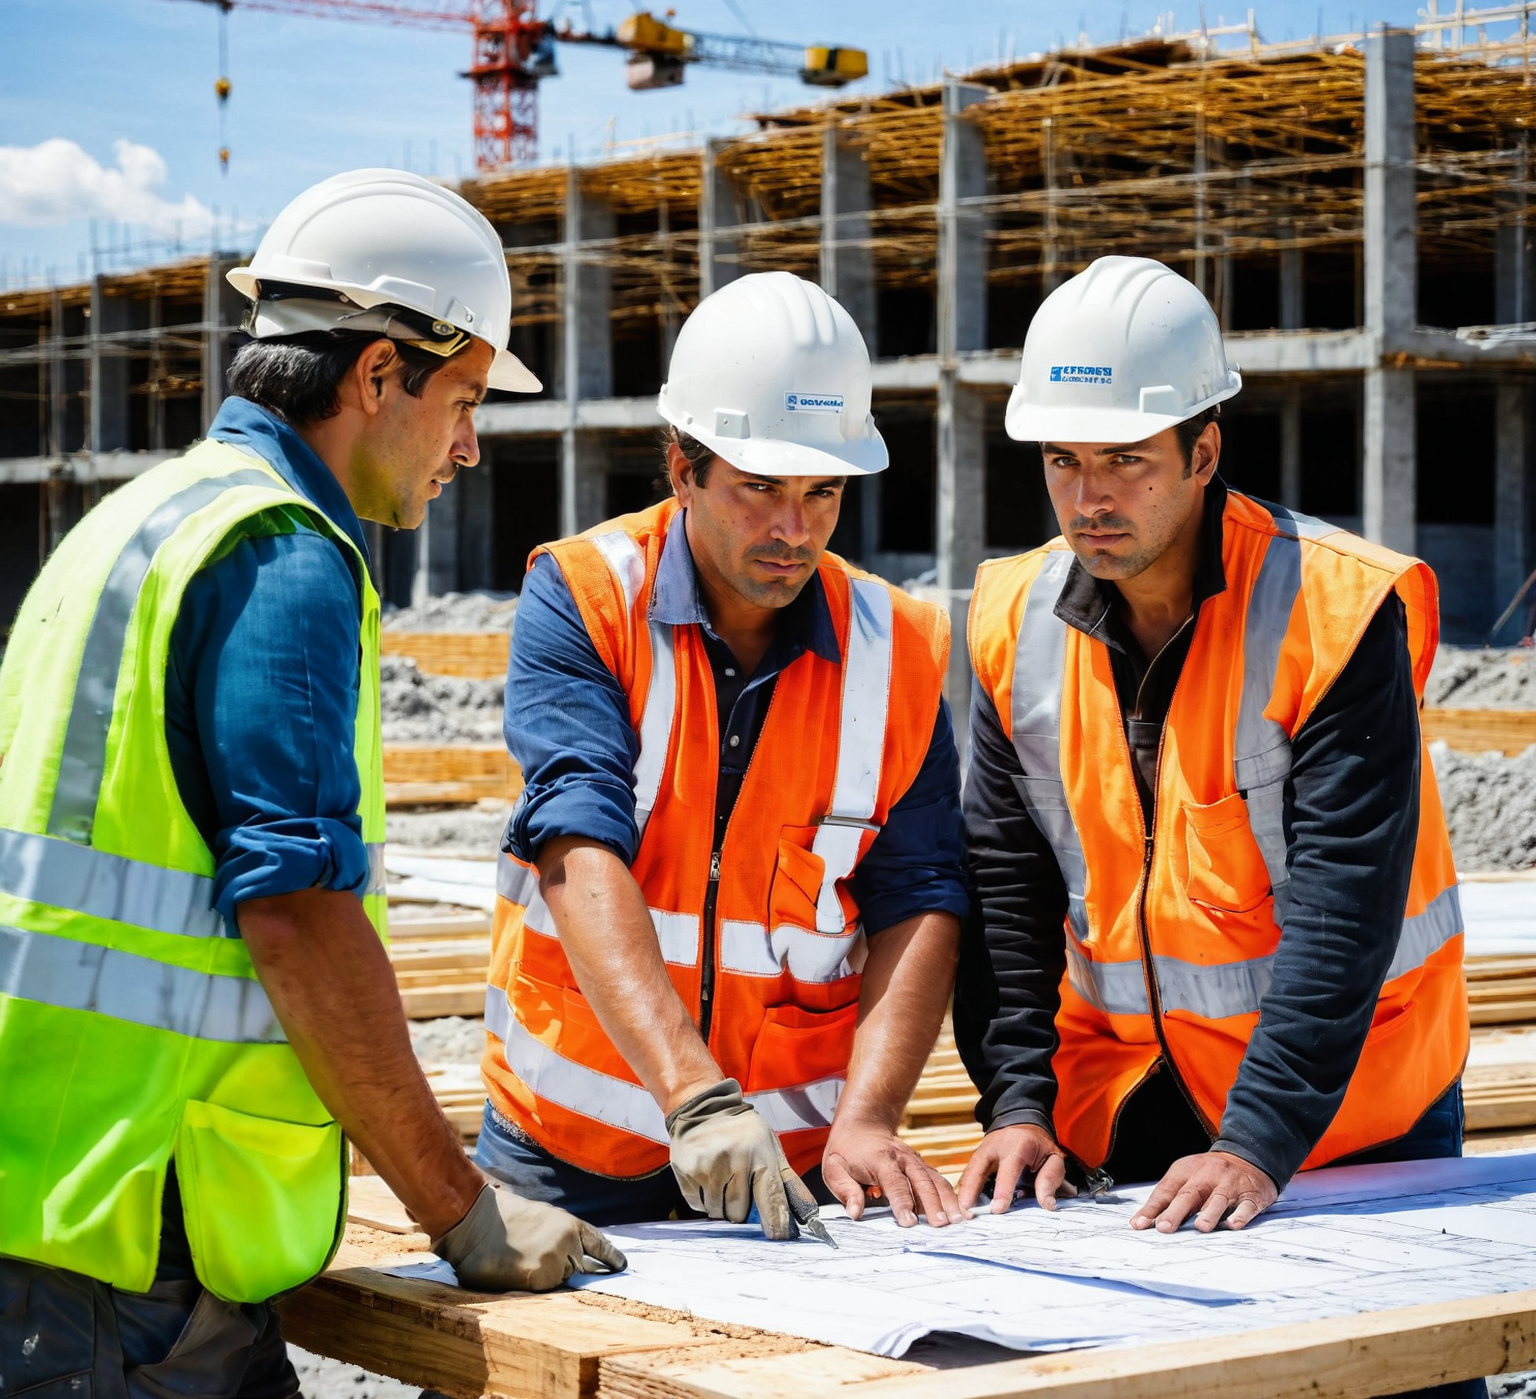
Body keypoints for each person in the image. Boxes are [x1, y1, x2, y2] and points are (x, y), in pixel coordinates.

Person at [0, 170, 622, 1399]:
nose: (469, 445)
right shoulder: (281, 555)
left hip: (54, 1174)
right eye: (458, 399)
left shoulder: (139, 521)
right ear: (377, 375)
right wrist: (460, 1208)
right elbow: (294, 912)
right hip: (141, 1233)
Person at [955, 255, 1469, 1240]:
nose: (1089, 498)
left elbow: (1343, 910)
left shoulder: (1334, 612)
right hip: (1131, 1102)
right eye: (1064, 460)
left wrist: (1257, 1140)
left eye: (1126, 460)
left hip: (1347, 1113)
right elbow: (1005, 892)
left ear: (1202, 454)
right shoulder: (1011, 619)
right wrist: (1017, 1103)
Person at [480, 271, 971, 1237]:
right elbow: (576, 837)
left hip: (790, 1162)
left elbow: (921, 893)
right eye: (759, 489)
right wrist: (695, 1095)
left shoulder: (899, 648)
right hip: (573, 1144)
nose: (794, 530)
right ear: (683, 468)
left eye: (822, 491)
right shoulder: (585, 597)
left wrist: (868, 1118)